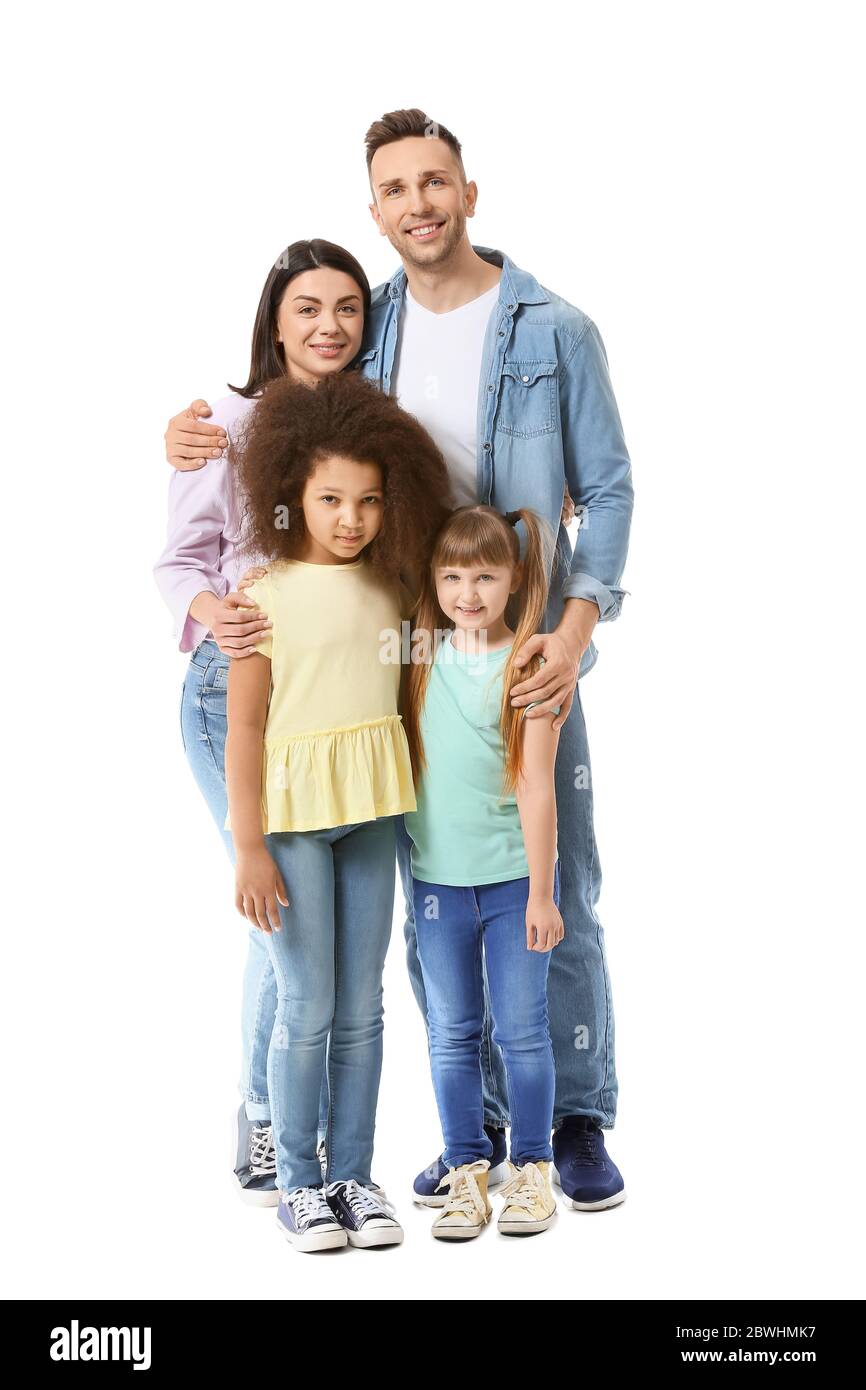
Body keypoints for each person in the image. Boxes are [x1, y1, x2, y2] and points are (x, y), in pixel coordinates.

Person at [164, 106, 634, 1213]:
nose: (417, 203)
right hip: (402, 649)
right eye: (393, 189)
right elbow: (274, 407)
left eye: (435, 182)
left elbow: (606, 489)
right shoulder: (363, 325)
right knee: (431, 876)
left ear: (468, 193)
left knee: (548, 870)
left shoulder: (551, 328)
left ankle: (571, 1116)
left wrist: (569, 634)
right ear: (372, 209)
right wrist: (192, 430)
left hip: (518, 645)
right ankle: (461, 1132)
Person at [154, 240, 377, 1204]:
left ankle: (266, 1117)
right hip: (233, 690)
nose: (328, 326)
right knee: (279, 909)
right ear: (274, 321)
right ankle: (268, 1126)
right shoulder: (223, 425)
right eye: (306, 308)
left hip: (339, 700)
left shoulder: (373, 420)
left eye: (347, 309)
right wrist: (216, 612)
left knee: (285, 928)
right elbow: (178, 561)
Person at [224, 369, 451, 1250]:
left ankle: (355, 1177)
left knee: (363, 1002)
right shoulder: (263, 599)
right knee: (306, 999)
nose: (350, 518)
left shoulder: (396, 594)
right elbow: (243, 727)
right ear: (293, 494)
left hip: (374, 814)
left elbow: (436, 677)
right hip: (289, 823)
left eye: (367, 501)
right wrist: (248, 845)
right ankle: (298, 1183)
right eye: (329, 499)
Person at [403, 503, 564, 1240]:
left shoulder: (527, 663)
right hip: (438, 884)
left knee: (523, 1032)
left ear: (514, 578)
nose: (468, 592)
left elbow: (536, 786)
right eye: (452, 575)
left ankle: (533, 1169)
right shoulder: (415, 652)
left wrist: (540, 892)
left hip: (510, 886)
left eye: (485, 576)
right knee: (452, 1031)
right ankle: (467, 1166)